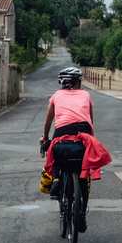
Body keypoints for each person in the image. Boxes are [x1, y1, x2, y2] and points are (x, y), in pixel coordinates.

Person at [41, 67, 93, 209]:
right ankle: (82, 211)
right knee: (84, 174)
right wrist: (91, 140)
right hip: (84, 131)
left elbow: (48, 121)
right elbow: (90, 121)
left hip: (62, 131)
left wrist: (45, 138)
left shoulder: (56, 96)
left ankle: (57, 179)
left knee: (56, 151)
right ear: (77, 82)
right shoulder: (86, 95)